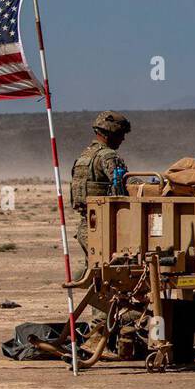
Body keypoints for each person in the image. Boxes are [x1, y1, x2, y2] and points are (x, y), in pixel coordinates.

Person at [69, 110, 130, 275]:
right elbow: (122, 190)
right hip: (106, 226)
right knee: (115, 275)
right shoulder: (108, 156)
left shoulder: (84, 156)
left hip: (87, 226)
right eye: (121, 134)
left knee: (96, 273)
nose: (123, 139)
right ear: (111, 133)